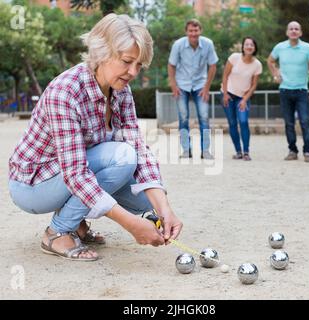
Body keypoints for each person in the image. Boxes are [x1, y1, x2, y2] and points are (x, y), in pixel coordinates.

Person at [8, 14, 182, 261]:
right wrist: (131, 224)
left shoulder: (121, 91)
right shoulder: (65, 91)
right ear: (102, 53)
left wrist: (165, 210)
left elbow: (140, 151)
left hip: (69, 175)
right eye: (126, 61)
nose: (133, 72)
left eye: (139, 65)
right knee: (122, 157)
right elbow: (76, 173)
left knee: (146, 199)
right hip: (33, 185)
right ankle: (57, 232)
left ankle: (78, 222)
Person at [267, 21, 309, 162]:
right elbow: (270, 61)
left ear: (300, 32)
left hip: (302, 90)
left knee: (304, 121)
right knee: (289, 123)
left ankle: (307, 151)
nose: (294, 31)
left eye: (296, 29)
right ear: (287, 32)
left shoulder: (307, 48)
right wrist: (276, 74)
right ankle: (292, 150)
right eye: (291, 29)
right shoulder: (280, 47)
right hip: (285, 90)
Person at [168, 19, 218, 159]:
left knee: (204, 117)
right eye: (190, 31)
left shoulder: (208, 44)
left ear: (200, 31)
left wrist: (207, 88)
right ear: (186, 32)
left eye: (196, 30)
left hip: (200, 85)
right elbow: (171, 65)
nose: (193, 33)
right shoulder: (178, 45)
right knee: (183, 118)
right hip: (182, 84)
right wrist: (174, 86)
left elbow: (213, 65)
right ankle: (186, 150)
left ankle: (205, 150)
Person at [221, 37, 262, 161]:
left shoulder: (257, 64)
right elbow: (225, 76)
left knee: (243, 122)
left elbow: (254, 84)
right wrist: (225, 94)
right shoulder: (234, 57)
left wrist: (245, 99)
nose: (249, 46)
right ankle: (238, 151)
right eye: (247, 44)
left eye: (251, 45)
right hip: (228, 94)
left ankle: (246, 152)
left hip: (242, 97)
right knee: (232, 123)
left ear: (254, 48)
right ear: (243, 47)